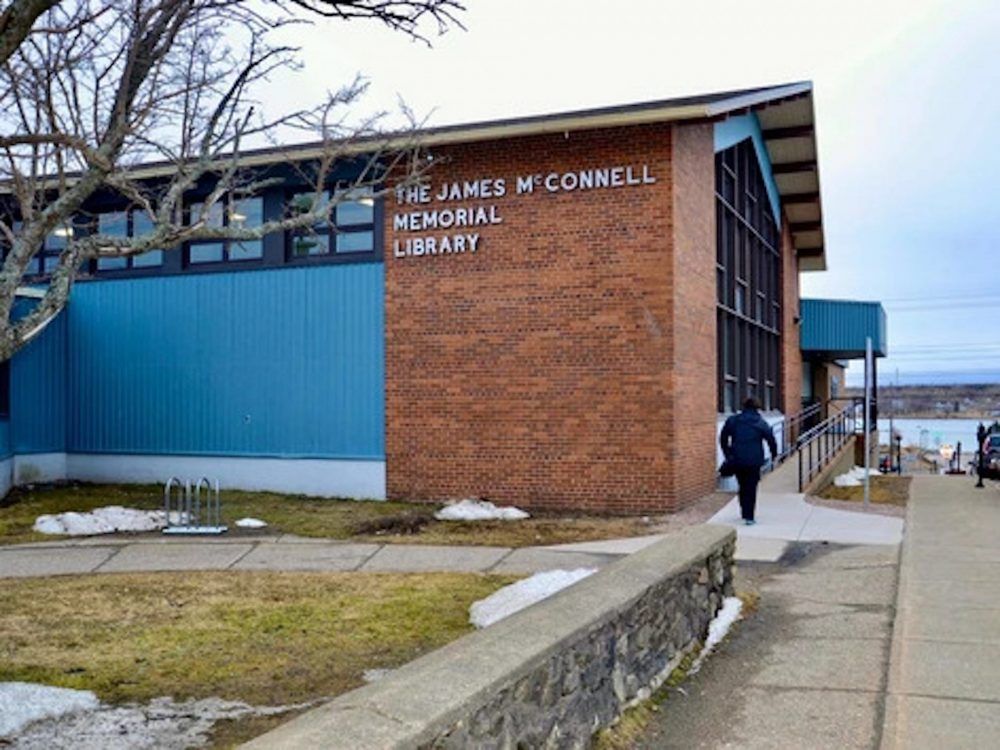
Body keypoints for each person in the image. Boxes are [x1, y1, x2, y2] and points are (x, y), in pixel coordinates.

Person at [720, 397, 778, 525]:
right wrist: (774, 455)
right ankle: (749, 516)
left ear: (744, 406)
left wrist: (728, 454)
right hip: (754, 460)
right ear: (757, 408)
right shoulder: (761, 422)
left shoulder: (733, 420)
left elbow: (723, 438)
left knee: (742, 484)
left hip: (737, 459)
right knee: (751, 487)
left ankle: (744, 510)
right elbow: (771, 440)